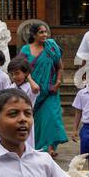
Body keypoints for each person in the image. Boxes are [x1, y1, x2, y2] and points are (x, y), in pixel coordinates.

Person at [18, 21, 67, 156]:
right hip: (33, 90)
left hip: (50, 89)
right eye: (41, 32)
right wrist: (31, 82)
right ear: (34, 34)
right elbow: (22, 68)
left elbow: (59, 67)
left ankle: (50, 148)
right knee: (38, 119)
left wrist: (57, 82)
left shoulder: (51, 47)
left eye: (46, 32)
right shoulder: (25, 50)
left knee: (51, 117)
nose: (45, 35)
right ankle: (38, 147)